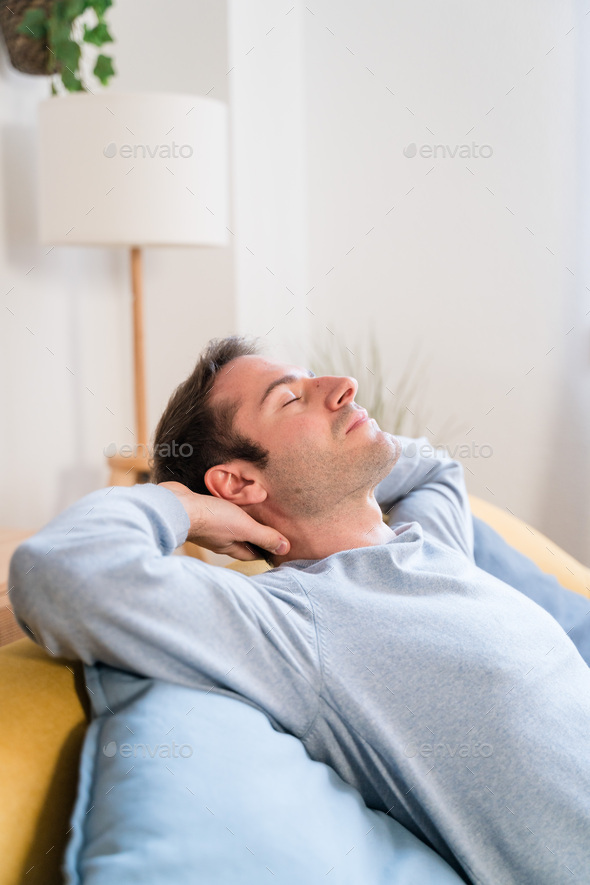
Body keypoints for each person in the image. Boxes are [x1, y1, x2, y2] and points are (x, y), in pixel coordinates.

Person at [9, 335, 590, 885]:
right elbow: (59, 575)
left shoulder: (432, 545)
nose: (345, 385)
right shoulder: (293, 624)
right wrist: (180, 506)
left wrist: (340, 440)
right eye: (291, 397)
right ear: (238, 482)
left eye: (314, 380)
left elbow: (434, 468)